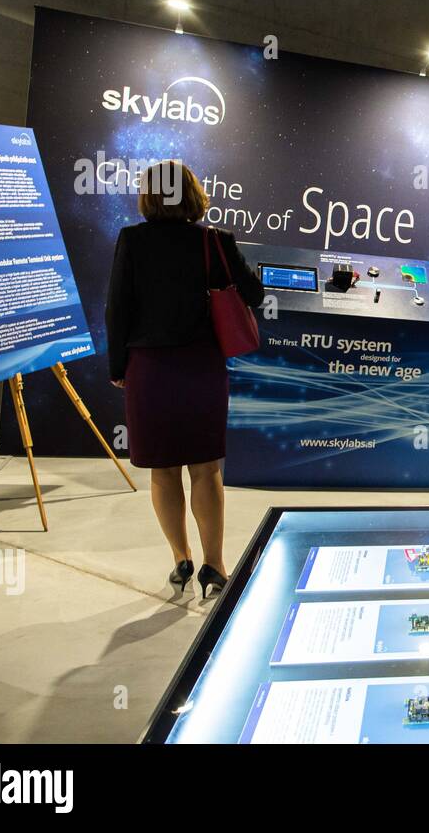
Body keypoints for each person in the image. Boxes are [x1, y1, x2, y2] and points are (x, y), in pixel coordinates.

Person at [105, 161, 264, 599]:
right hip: (202, 368)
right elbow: (255, 295)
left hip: (150, 370)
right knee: (206, 469)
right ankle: (215, 565)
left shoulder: (132, 241)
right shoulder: (216, 241)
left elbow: (117, 309)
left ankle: (181, 557)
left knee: (162, 470)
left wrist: (118, 367)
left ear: (150, 195)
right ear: (193, 194)